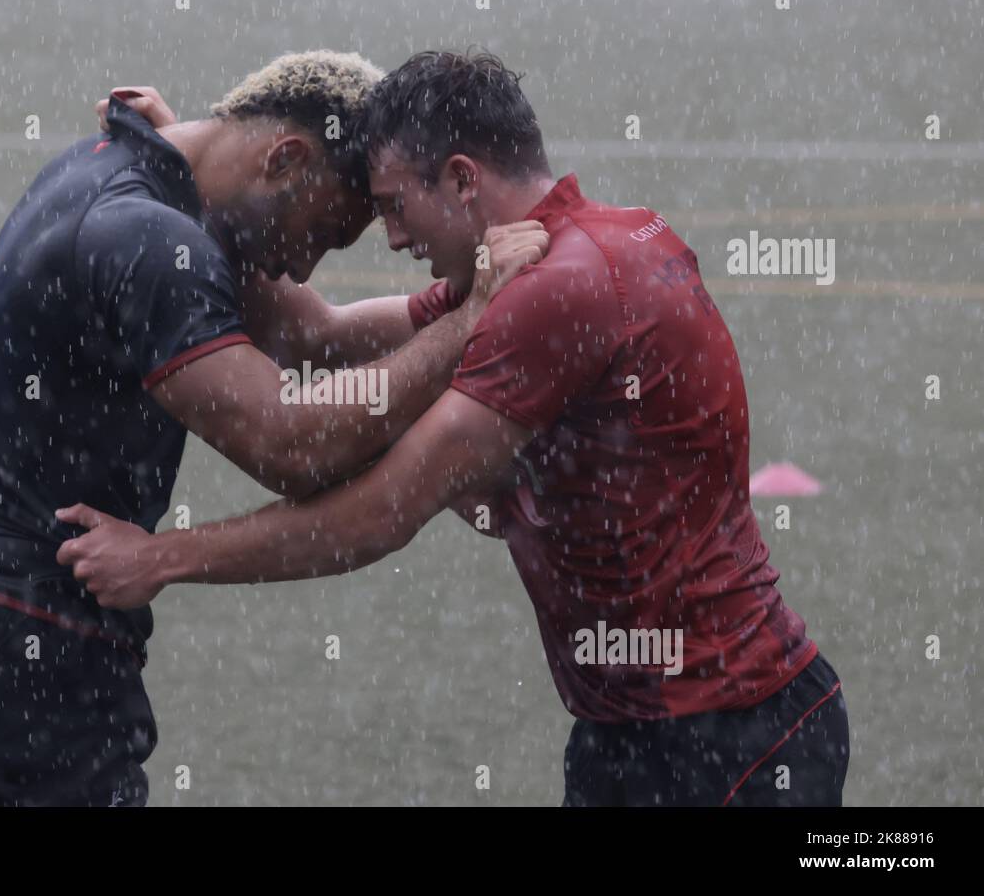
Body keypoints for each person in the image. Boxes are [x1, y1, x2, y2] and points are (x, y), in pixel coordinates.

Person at [56, 50, 850, 807]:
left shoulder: (550, 290)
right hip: (651, 729)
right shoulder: (554, 255)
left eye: (398, 207)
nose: (395, 239)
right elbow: (317, 335)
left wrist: (160, 556)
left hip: (728, 730)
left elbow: (380, 512)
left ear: (463, 180)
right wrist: (201, 174)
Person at [0, 50, 550, 806]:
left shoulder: (128, 173)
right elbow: (293, 444)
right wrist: (471, 323)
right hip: (18, 656)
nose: (303, 268)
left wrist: (472, 303)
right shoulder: (147, 237)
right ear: (286, 157)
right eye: (322, 233)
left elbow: (312, 335)